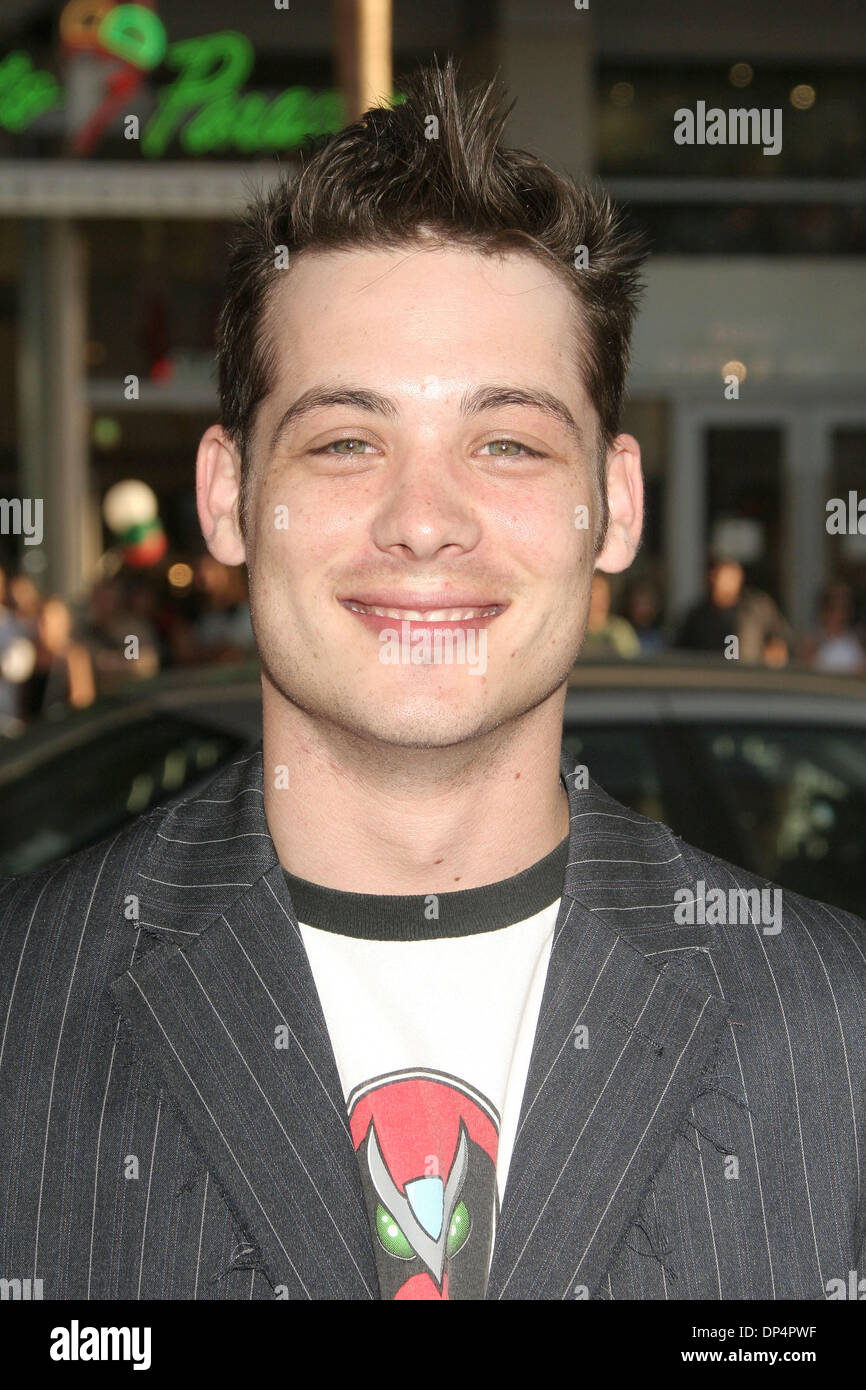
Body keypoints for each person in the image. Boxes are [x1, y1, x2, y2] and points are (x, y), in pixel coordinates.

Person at [0, 59, 863, 1302]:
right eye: (346, 441)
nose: (423, 520)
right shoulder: (25, 1012)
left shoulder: (831, 1035)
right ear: (227, 496)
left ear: (611, 505)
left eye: (504, 441)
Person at [676, 555, 793, 665]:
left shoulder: (757, 608)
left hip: (750, 676)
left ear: (738, 577)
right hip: (711, 676)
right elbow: (681, 651)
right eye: (715, 576)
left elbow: (781, 639)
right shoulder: (698, 615)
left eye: (725, 576)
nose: (718, 582)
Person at [799, 581, 866, 675]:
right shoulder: (812, 642)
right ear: (824, 611)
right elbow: (804, 671)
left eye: (843, 608)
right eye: (833, 608)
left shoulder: (858, 641)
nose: (838, 614)